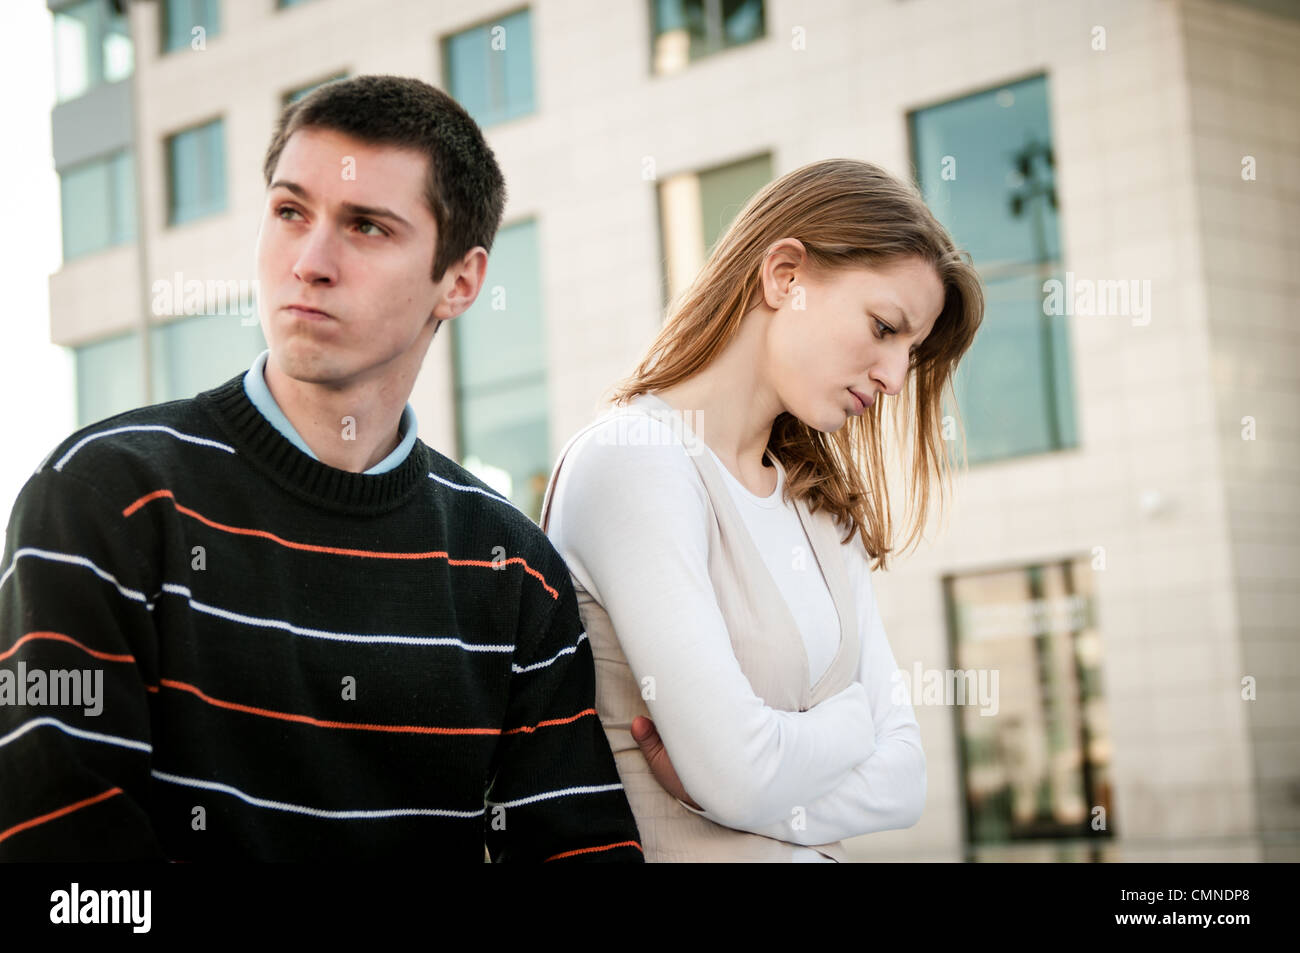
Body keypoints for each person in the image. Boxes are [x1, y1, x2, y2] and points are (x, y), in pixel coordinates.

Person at [0, 75, 642, 863]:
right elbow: (67, 873)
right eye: (289, 211)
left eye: (367, 226)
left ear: (460, 281)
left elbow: (579, 851)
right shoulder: (102, 496)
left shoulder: (512, 567)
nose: (310, 261)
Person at [542, 158, 984, 861]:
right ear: (785, 275)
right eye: (882, 326)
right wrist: (849, 729)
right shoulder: (636, 458)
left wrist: (746, 775)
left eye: (912, 351)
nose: (896, 377)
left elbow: (906, 780)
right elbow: (739, 775)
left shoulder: (820, 504)